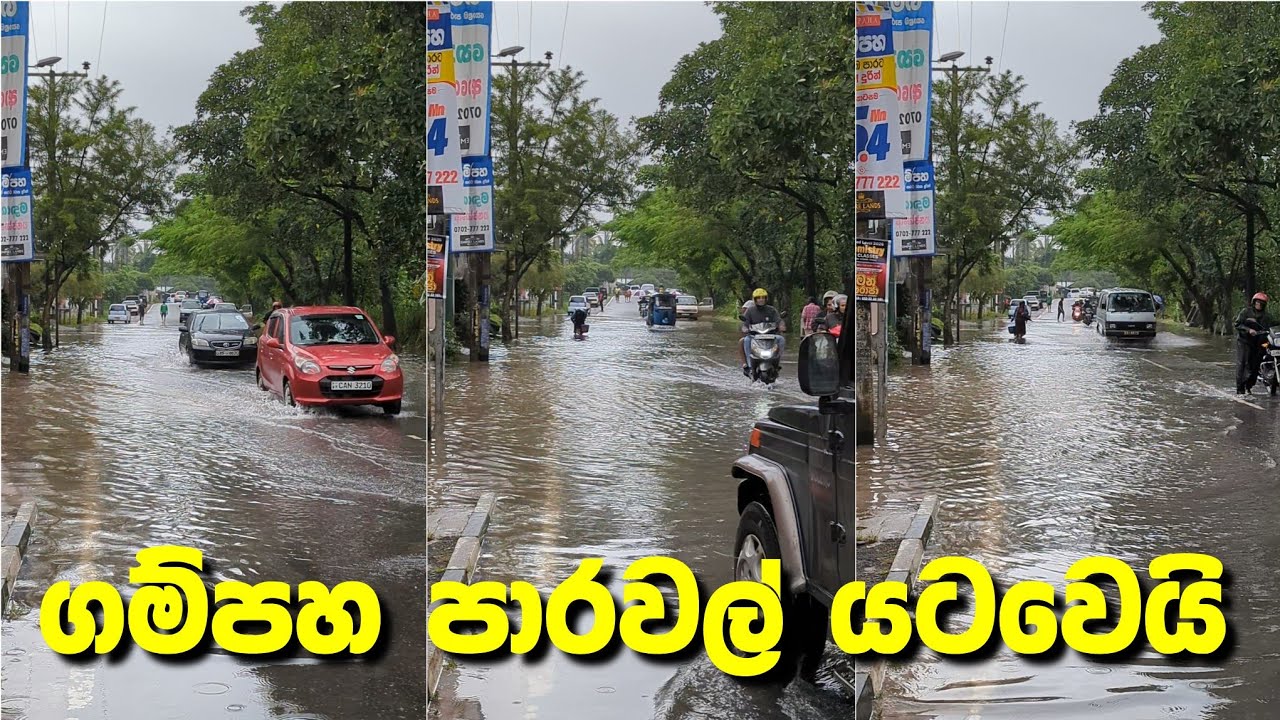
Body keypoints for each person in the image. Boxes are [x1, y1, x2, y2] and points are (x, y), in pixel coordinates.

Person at [1234, 292, 1273, 395]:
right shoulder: (1245, 312)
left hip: (1259, 342)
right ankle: (1240, 389)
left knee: (1255, 365)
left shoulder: (1266, 316)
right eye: (1257, 302)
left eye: (1261, 303)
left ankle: (1249, 386)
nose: (1259, 305)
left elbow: (1272, 325)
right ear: (1253, 302)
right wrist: (1248, 330)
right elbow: (1237, 324)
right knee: (1243, 363)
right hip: (1244, 341)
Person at [740, 288, 785, 376]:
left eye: (763, 297)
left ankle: (777, 362)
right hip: (754, 336)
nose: (761, 299)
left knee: (781, 339)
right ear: (755, 299)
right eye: (758, 298)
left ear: (766, 298)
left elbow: (779, 320)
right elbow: (745, 323)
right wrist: (745, 328)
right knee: (746, 340)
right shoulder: (750, 311)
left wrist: (781, 326)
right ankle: (749, 366)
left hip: (770, 336)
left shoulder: (771, 310)